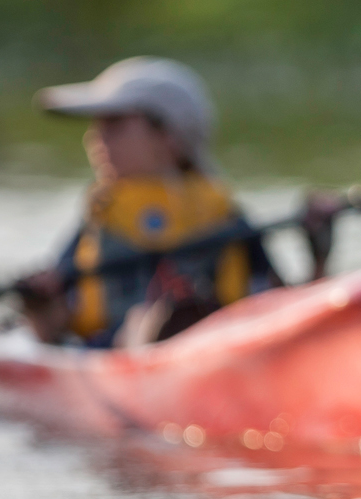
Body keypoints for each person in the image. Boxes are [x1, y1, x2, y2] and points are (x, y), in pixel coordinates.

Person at [16, 57, 280, 348]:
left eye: (115, 124)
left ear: (169, 137)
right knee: (141, 323)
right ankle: (151, 331)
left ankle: (169, 326)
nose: (96, 139)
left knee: (177, 315)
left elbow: (282, 301)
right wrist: (38, 304)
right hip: (110, 350)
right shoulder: (103, 214)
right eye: (97, 126)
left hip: (217, 346)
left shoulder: (225, 216)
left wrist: (317, 249)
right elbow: (55, 326)